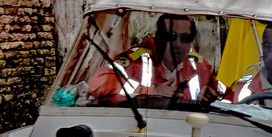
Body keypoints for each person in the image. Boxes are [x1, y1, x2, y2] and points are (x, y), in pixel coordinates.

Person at [87, 14, 219, 103]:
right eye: (171, 36)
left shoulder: (199, 65)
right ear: (158, 37)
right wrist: (151, 92)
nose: (178, 44)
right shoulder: (136, 60)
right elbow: (97, 83)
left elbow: (225, 94)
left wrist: (212, 97)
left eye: (185, 38)